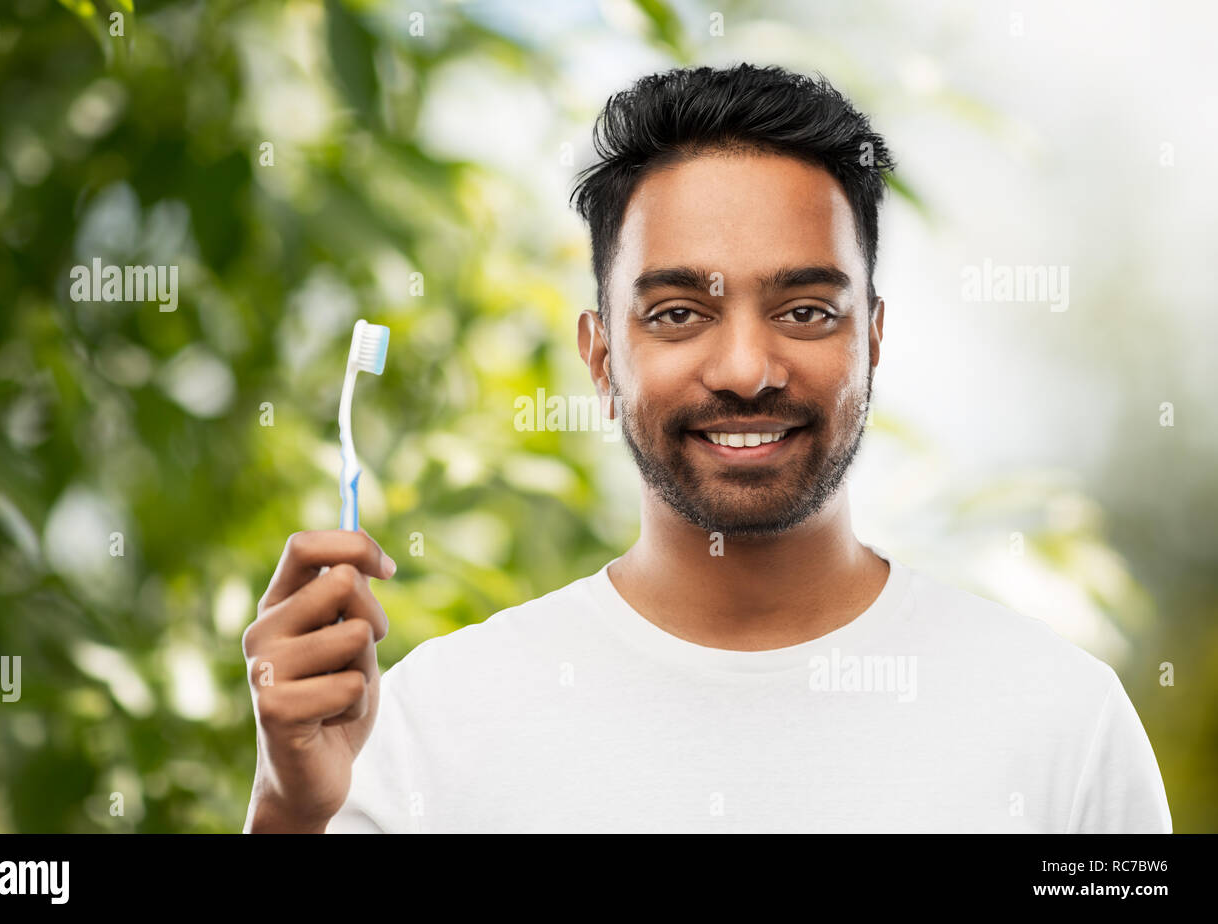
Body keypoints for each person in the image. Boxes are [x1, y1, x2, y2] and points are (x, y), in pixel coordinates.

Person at [241, 64, 1171, 833]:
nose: (744, 368)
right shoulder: (425, 727)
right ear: (601, 354)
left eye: (805, 311)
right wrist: (288, 811)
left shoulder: (1059, 724)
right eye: (680, 313)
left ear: (872, 338)